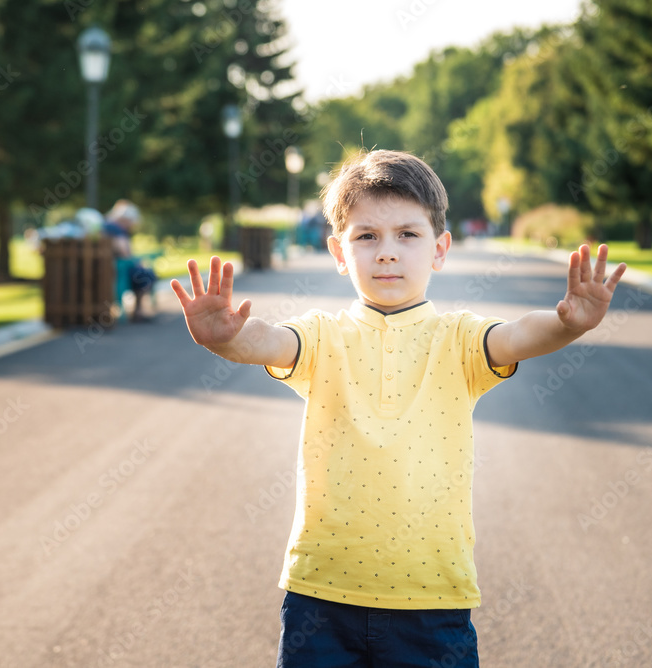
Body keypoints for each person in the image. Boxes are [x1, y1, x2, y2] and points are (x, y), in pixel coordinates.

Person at [170, 150, 627, 667]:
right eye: (366, 236)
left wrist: (569, 324)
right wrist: (225, 341)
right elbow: (267, 341)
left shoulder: (459, 338)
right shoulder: (322, 335)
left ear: (440, 248)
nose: (387, 252)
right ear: (339, 253)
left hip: (433, 601)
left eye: (408, 234)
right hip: (322, 597)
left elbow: (519, 335)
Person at [104, 199, 157, 322]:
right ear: (125, 220)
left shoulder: (106, 225)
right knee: (146, 274)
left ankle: (137, 310)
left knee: (142, 273)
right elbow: (124, 252)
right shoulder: (117, 229)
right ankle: (137, 311)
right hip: (118, 270)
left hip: (108, 269)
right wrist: (136, 261)